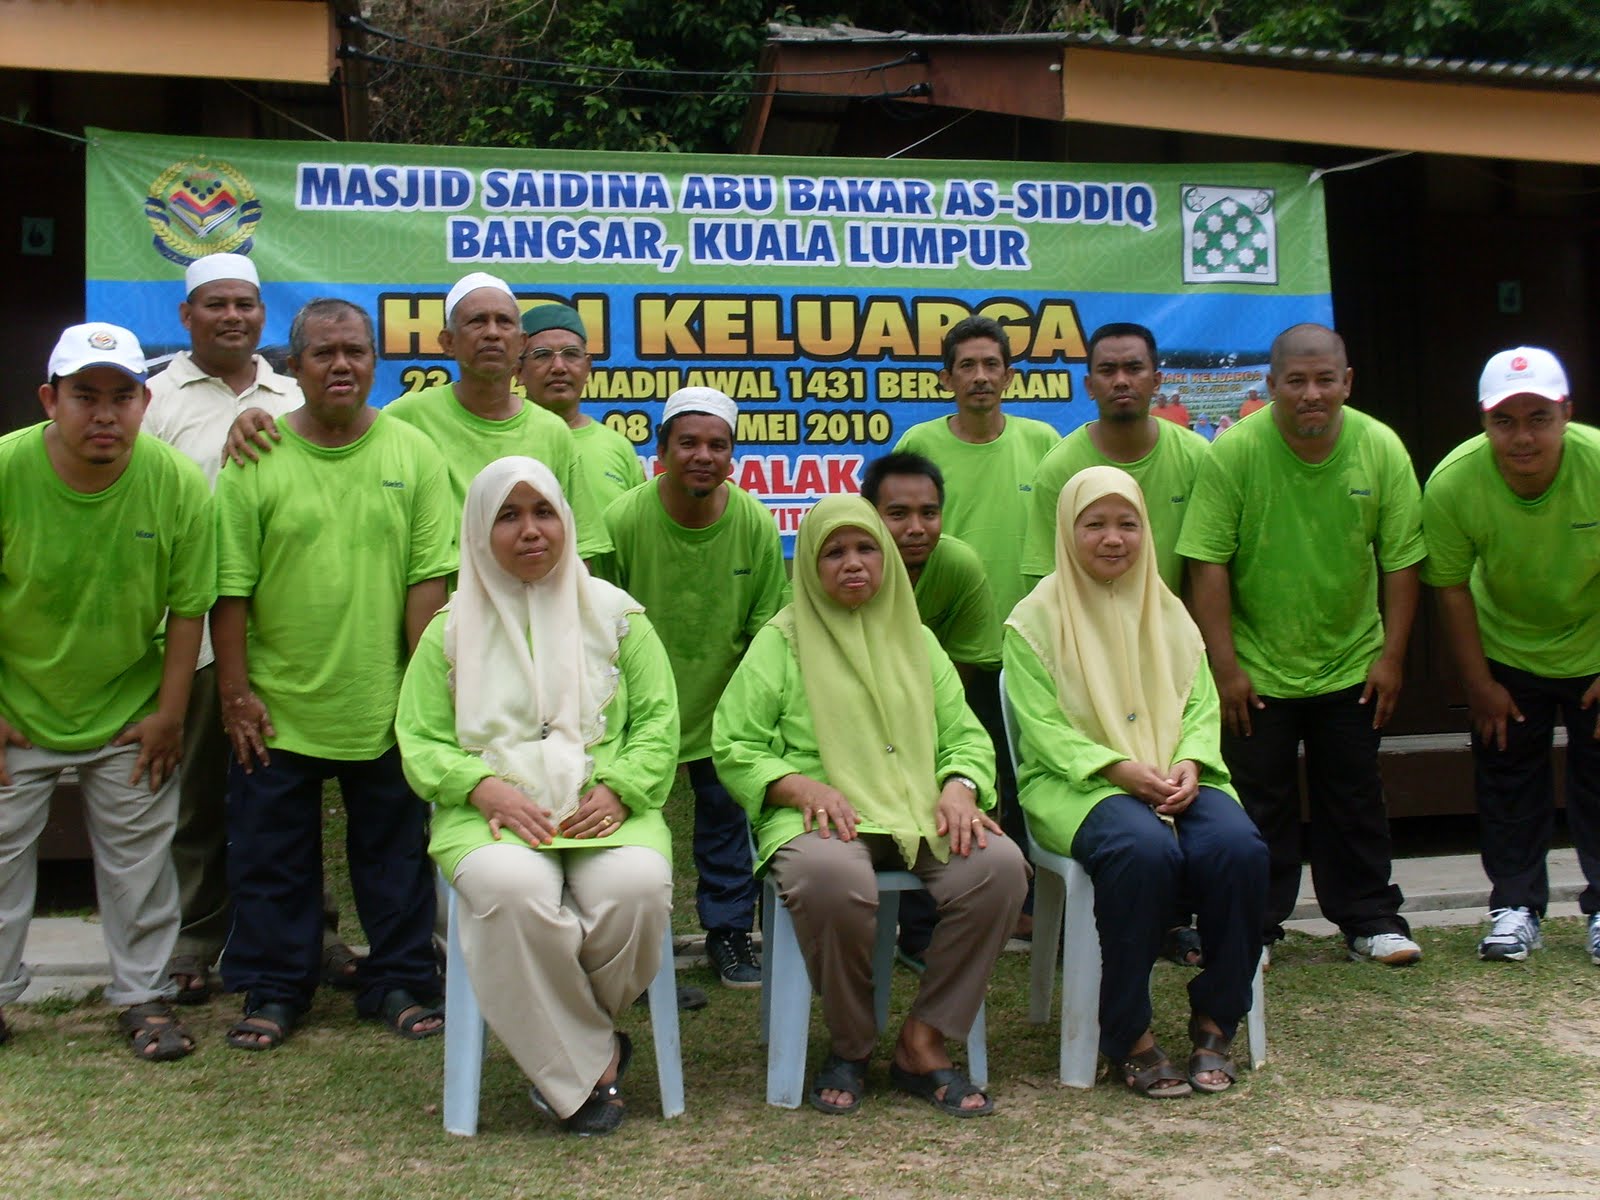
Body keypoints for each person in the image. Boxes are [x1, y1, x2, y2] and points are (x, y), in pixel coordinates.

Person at [713, 496, 1028, 1117]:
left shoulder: (918, 640)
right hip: (819, 813)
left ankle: (923, 1039)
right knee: (830, 878)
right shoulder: (782, 641)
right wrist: (798, 785)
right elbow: (736, 742)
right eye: (834, 552)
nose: (852, 564)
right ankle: (852, 1044)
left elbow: (964, 734)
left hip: (917, 807)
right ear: (807, 563)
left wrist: (959, 785)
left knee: (999, 869)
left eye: (865, 550)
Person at [397, 457, 677, 1135]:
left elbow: (661, 724)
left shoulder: (617, 617)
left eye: (544, 512)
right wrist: (482, 787)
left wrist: (621, 788)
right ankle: (594, 1061)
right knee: (512, 893)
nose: (530, 531)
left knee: (637, 890)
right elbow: (420, 739)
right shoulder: (450, 628)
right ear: (478, 531)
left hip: (603, 810)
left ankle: (559, 1040)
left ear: (566, 522)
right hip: (491, 813)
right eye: (508, 516)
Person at [214, 298, 453, 1050]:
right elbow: (231, 587)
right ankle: (278, 989)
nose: (342, 364)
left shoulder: (412, 456)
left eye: (355, 350)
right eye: (324, 353)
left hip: (380, 699)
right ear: (295, 367)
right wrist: (235, 693)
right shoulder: (256, 458)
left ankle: (401, 981)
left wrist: (422, 696)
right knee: (271, 856)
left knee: (395, 855)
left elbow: (428, 582)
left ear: (374, 362)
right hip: (276, 706)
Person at [1005, 466, 1267, 1097]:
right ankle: (1127, 1031)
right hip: (1079, 785)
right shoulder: (1033, 620)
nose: (1113, 538)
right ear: (1068, 531)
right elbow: (1042, 731)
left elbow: (1199, 705)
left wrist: (1191, 762)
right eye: (1094, 524)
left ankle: (1216, 1018)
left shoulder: (1171, 614)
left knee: (1239, 849)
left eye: (1127, 523)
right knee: (1141, 851)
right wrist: (1119, 770)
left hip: (1176, 777)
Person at [143, 252, 357, 1002]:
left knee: (287, 801)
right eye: (216, 304)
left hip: (286, 637)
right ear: (187, 316)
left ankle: (315, 938)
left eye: (245, 304)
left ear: (264, 317)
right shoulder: (156, 399)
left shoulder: (294, 391)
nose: (233, 316)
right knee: (201, 797)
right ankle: (198, 939)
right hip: (193, 636)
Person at [1178, 322, 1426, 965]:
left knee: (1355, 795)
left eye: (1325, 380)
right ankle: (1253, 929)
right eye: (1296, 381)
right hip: (1256, 668)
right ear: (1272, 386)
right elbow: (1207, 564)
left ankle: (1371, 919)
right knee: (1257, 804)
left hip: (1352, 661)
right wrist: (1224, 665)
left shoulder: (1381, 449)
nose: (1311, 394)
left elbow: (1401, 562)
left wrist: (1392, 655)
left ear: (1348, 382)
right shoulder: (1234, 452)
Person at [0, 323, 214, 1059]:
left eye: (122, 397)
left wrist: (169, 715)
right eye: (84, 396)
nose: (104, 414)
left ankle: (144, 998)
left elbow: (190, 608)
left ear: (144, 402)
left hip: (130, 705)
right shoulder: (6, 471)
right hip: (16, 708)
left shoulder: (176, 481)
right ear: (48, 400)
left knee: (140, 868)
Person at [600, 387, 786, 988]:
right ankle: (634, 946)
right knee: (629, 827)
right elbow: (599, 624)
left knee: (727, 824)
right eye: (688, 443)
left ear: (732, 457)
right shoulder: (623, 519)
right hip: (635, 711)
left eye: (717, 444)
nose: (702, 455)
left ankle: (729, 935)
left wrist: (746, 711)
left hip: (721, 705)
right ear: (661, 451)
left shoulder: (754, 521)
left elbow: (767, 628)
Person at [224, 272, 609, 561]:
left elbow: (583, 550)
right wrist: (258, 417)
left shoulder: (551, 433)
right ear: (446, 342)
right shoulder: (407, 418)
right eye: (477, 322)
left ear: (521, 343)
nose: (492, 333)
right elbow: (330, 431)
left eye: (504, 322)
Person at [1421, 347, 1600, 964]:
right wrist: (1479, 682)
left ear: (1566, 413)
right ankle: (1515, 908)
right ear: (1483, 421)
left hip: (1594, 646)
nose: (1522, 436)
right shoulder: (1452, 482)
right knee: (1507, 778)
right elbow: (1448, 585)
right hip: (1506, 646)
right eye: (1505, 421)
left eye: (1539, 417)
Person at [893, 316, 1057, 936]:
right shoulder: (921, 444)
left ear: (1010, 376)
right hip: (946, 652)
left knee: (1023, 771)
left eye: (992, 365)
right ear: (946, 378)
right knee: (950, 769)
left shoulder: (1042, 441)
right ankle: (944, 902)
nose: (981, 377)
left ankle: (1025, 901)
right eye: (967, 366)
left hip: (1029, 644)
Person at [861, 452, 1001, 969]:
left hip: (937, 712)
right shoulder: (843, 565)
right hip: (857, 723)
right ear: (868, 513)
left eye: (930, 513)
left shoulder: (959, 566)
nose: (916, 528)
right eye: (897, 514)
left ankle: (924, 932)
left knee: (956, 790)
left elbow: (962, 679)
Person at [1023, 323, 1210, 595]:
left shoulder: (1197, 456)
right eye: (1107, 370)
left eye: (1134, 369)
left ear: (1157, 381)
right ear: (1089, 385)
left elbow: (1208, 564)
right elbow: (1044, 574)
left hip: (1175, 632)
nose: (1121, 381)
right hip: (1088, 631)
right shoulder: (1059, 467)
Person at [519, 303, 645, 512]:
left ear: (587, 367)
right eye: (542, 355)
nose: (559, 367)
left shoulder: (618, 448)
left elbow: (638, 527)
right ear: (518, 371)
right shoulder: (504, 440)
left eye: (571, 354)